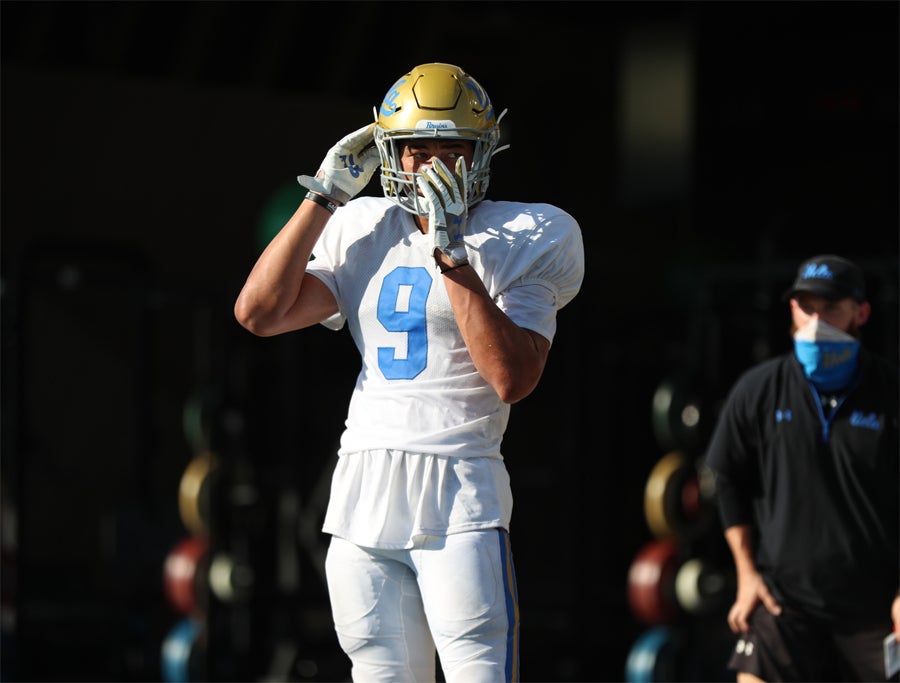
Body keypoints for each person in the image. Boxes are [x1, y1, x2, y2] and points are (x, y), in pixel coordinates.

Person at [233, 62, 584, 682]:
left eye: (453, 151)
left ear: (483, 152)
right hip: (363, 484)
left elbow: (512, 379)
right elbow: (259, 313)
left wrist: (451, 255)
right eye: (418, 151)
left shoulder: (530, 231)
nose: (435, 167)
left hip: (460, 485)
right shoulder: (361, 223)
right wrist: (322, 198)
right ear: (389, 152)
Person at [704, 254, 900, 682]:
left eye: (830, 308)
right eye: (806, 306)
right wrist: (747, 574)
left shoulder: (890, 392)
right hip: (785, 601)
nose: (816, 319)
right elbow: (728, 478)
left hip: (875, 607)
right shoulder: (758, 389)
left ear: (860, 312)